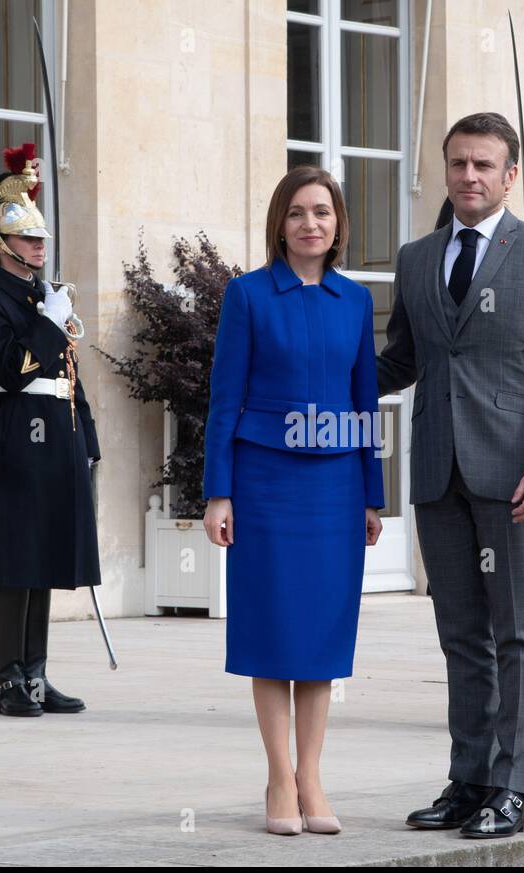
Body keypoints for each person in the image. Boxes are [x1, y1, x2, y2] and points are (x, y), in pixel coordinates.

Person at [376, 112, 524, 837]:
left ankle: (514, 789)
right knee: (460, 635)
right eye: (459, 163)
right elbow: (401, 358)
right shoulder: (416, 256)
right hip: (439, 471)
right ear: (446, 169)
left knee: (520, 634)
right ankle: (468, 781)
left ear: (510, 175)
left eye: (484, 165)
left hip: (516, 476)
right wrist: (315, 369)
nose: (469, 176)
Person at [202, 165, 385, 835]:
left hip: (336, 489)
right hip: (265, 484)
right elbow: (225, 399)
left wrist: (373, 494)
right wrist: (218, 492)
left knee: (320, 639)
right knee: (273, 630)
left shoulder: (357, 301)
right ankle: (279, 778)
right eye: (299, 212)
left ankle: (313, 776)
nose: (312, 223)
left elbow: (366, 400)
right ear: (280, 222)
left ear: (338, 225)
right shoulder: (247, 295)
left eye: (324, 212)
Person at [0, 144, 102, 717]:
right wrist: (48, 322)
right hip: (12, 433)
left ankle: (36, 677)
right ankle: (8, 680)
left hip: (54, 435)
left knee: (42, 557)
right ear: (1, 240)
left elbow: (68, 373)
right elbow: (12, 370)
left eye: (42, 238)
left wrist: (85, 437)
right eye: (29, 238)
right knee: (16, 560)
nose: (41, 246)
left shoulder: (45, 295)